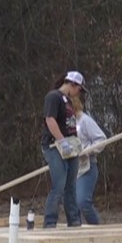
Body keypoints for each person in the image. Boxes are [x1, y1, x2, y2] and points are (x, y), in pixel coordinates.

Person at [41, 71, 84, 228]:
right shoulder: (53, 97)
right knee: (58, 184)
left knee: (71, 185)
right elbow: (50, 119)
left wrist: (73, 143)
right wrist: (61, 140)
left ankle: (74, 220)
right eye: (79, 88)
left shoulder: (69, 101)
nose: (78, 93)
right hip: (54, 146)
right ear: (72, 84)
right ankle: (50, 222)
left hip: (70, 147)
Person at [71, 76, 107, 225]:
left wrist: (87, 150)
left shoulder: (84, 121)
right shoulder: (65, 124)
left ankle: (98, 230)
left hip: (87, 166)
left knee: (82, 202)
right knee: (71, 206)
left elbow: (101, 139)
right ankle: (76, 233)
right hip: (71, 168)